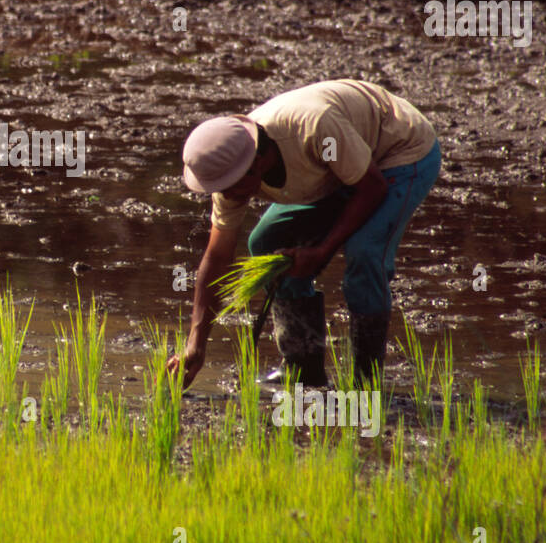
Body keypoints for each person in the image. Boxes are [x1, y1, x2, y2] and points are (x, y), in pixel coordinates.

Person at [170, 79, 441, 389]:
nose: (227, 196)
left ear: (256, 163)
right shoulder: (229, 175)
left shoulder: (311, 127)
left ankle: (365, 385)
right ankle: (303, 369)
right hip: (339, 167)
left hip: (397, 153)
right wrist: (196, 343)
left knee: (365, 253)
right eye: (221, 189)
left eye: (232, 186)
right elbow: (217, 256)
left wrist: (322, 251)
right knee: (266, 243)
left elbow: (372, 187)